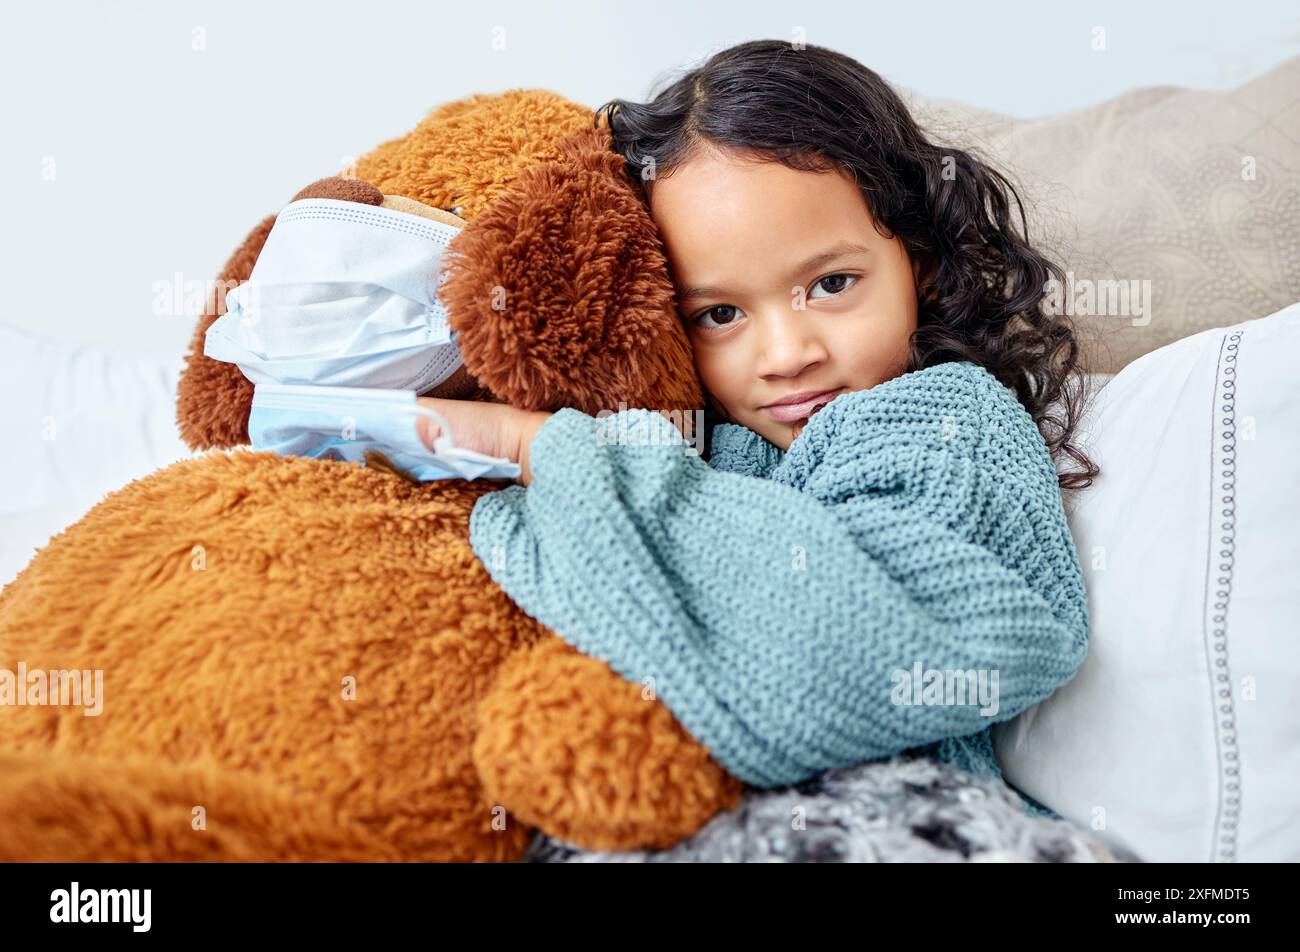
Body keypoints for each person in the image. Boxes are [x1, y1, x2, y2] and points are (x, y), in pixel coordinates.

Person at [415, 39, 1099, 818]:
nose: (785, 355)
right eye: (720, 314)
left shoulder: (952, 421)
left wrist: (537, 450)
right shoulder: (696, 437)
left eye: (831, 284)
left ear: (921, 261)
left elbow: (851, 651)